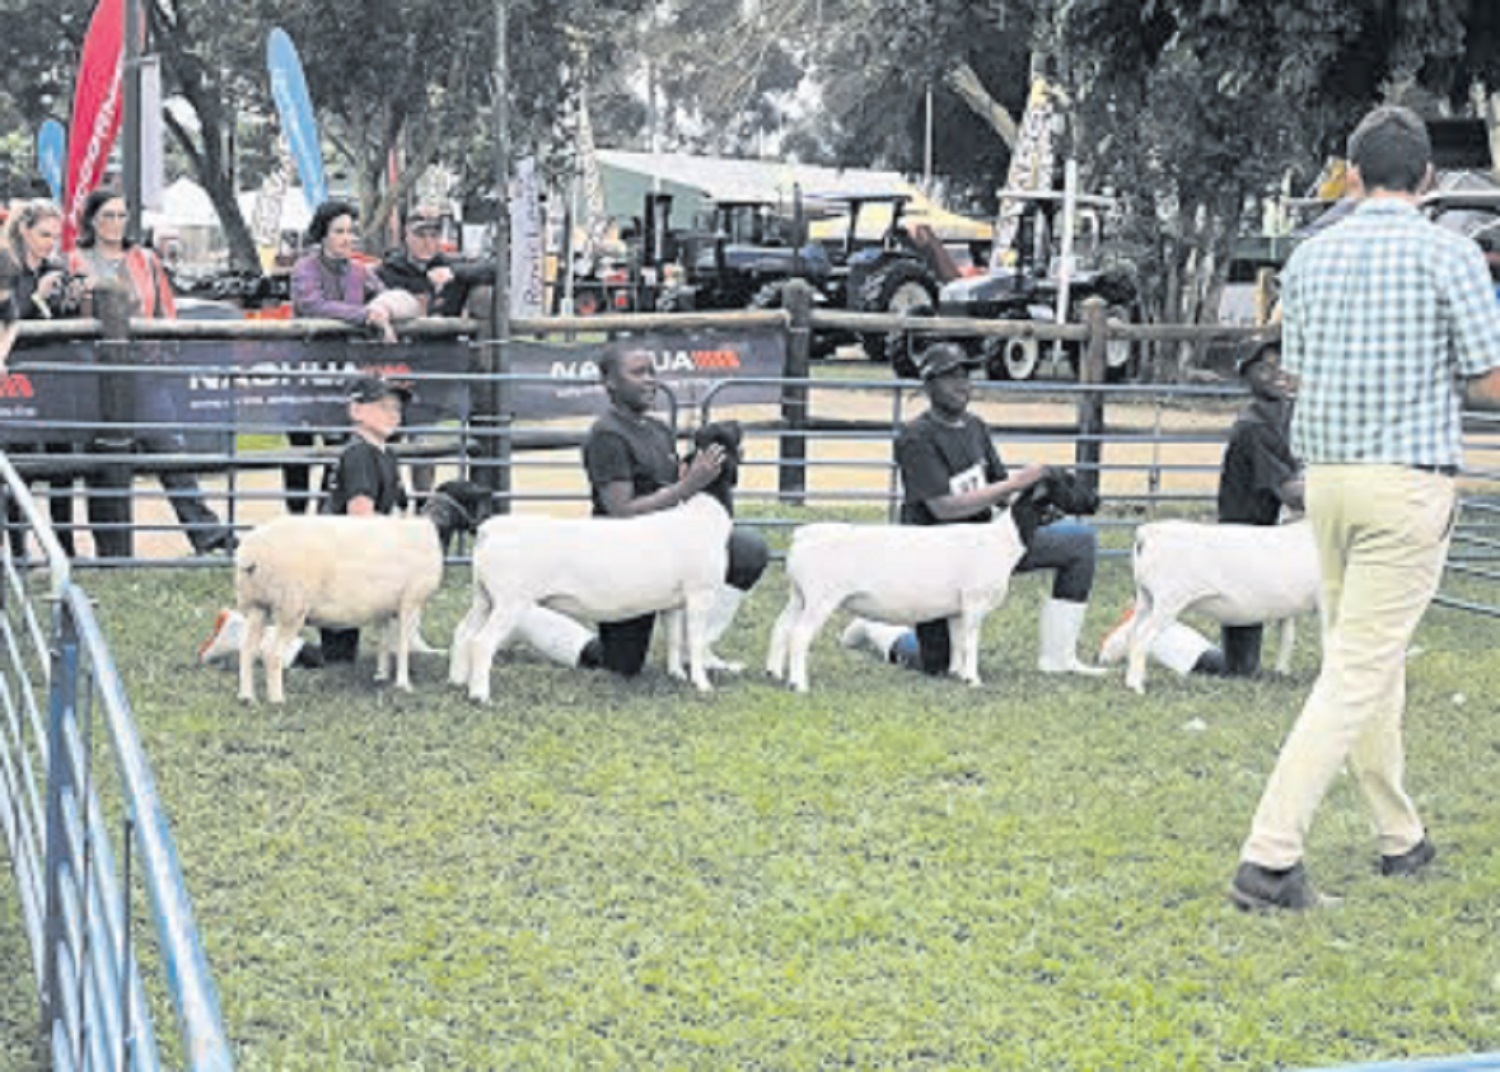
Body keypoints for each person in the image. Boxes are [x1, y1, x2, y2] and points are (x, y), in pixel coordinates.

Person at [1229, 105, 1500, 912]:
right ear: (1428, 180)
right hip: (1405, 482)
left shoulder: (1308, 259)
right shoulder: (1449, 253)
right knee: (1356, 671)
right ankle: (1270, 856)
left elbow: (1299, 370)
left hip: (1329, 482)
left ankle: (1399, 834)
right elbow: (1487, 378)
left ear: (1351, 173)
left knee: (1365, 658)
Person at [839, 342, 1104, 677]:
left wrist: (1033, 508)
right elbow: (944, 508)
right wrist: (1015, 483)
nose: (962, 384)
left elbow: (999, 491)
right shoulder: (915, 437)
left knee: (1078, 542)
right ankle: (877, 631)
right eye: (950, 377)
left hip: (987, 544)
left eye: (966, 375)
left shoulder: (976, 426)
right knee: (936, 664)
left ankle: (1059, 657)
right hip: (938, 558)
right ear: (928, 385)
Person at [1098, 335, 1305, 678]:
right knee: (1239, 668)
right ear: (1246, 376)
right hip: (1242, 536)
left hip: (1270, 537)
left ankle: (1148, 625)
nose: (1277, 373)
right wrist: (1338, 490)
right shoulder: (1253, 427)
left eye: (1282, 364)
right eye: (1264, 368)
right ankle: (1155, 635)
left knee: (1271, 613)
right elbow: (1291, 493)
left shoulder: (1287, 415)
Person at [581, 347, 770, 677]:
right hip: (628, 559)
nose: (650, 380)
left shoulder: (658, 430)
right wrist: (687, 487)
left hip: (669, 550)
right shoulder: (606, 434)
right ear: (609, 382)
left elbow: (671, 489)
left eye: (652, 371)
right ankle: (541, 628)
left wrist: (709, 468)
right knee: (619, 665)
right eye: (637, 373)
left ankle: (695, 647)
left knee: (746, 548)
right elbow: (621, 511)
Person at [70, 189, 235, 557]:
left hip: (144, 367)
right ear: (92, 220)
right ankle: (111, 549)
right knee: (105, 462)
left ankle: (208, 536)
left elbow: (165, 308)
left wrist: (165, 349)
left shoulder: (145, 259)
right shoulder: (76, 261)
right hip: (96, 374)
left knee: (169, 449)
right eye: (107, 216)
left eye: (121, 215)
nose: (115, 223)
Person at [286, 199, 390, 513]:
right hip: (303, 371)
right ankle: (295, 515)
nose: (347, 238)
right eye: (339, 231)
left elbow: (383, 296)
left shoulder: (361, 271)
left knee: (338, 449)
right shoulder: (304, 268)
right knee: (299, 452)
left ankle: (324, 514)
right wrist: (362, 314)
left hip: (344, 372)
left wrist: (386, 307)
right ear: (323, 234)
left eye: (350, 231)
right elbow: (312, 304)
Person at [1, 199, 85, 556]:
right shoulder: (10, 268)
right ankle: (18, 548)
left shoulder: (54, 267)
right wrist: (38, 296)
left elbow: (63, 324)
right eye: (43, 234)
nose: (49, 242)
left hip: (56, 378)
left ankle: (64, 546)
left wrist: (73, 297)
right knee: (20, 466)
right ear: (24, 230)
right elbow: (13, 316)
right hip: (19, 379)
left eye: (54, 235)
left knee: (62, 465)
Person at [376, 204, 493, 318]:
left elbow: (493, 269)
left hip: (448, 335)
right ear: (407, 236)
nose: (428, 243)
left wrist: (453, 273)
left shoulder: (450, 265)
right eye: (420, 235)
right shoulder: (389, 270)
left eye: (434, 235)